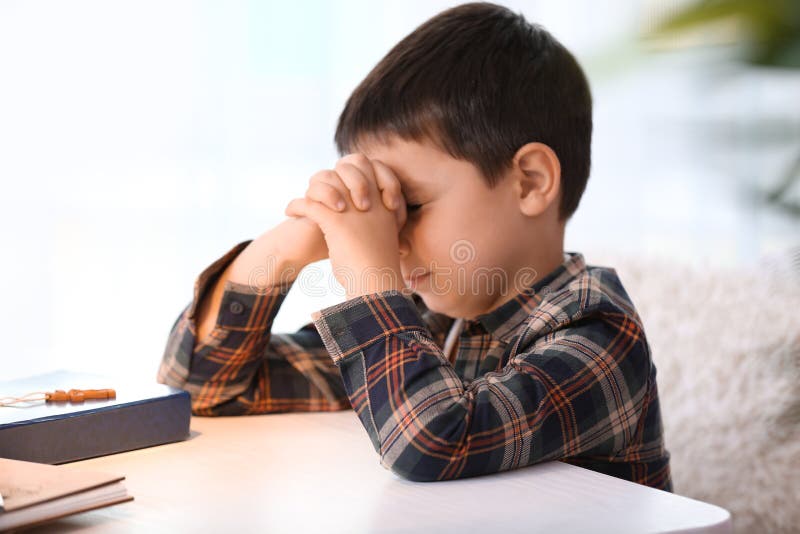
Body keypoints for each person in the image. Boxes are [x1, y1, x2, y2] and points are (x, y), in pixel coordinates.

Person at [157, 2, 672, 490]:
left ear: (530, 182)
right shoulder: (432, 328)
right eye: (385, 211)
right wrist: (282, 251)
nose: (391, 238)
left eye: (411, 205)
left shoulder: (600, 335)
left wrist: (369, 278)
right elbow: (203, 389)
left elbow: (434, 439)